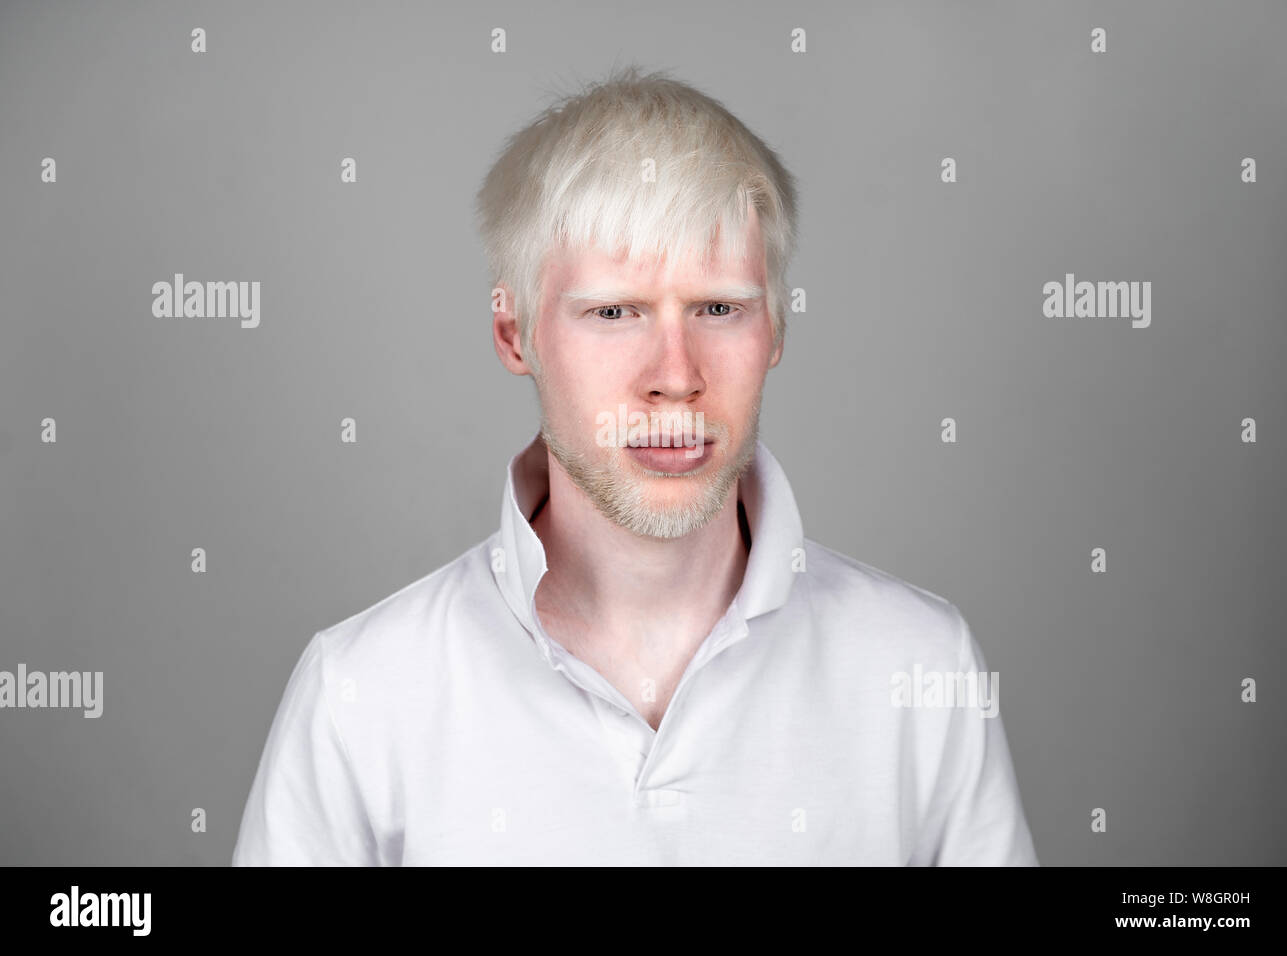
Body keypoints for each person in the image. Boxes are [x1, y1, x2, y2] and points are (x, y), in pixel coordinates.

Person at [232, 65, 1038, 866]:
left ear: (778, 331)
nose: (676, 374)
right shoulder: (361, 691)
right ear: (515, 337)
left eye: (719, 308)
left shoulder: (920, 665)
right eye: (614, 312)